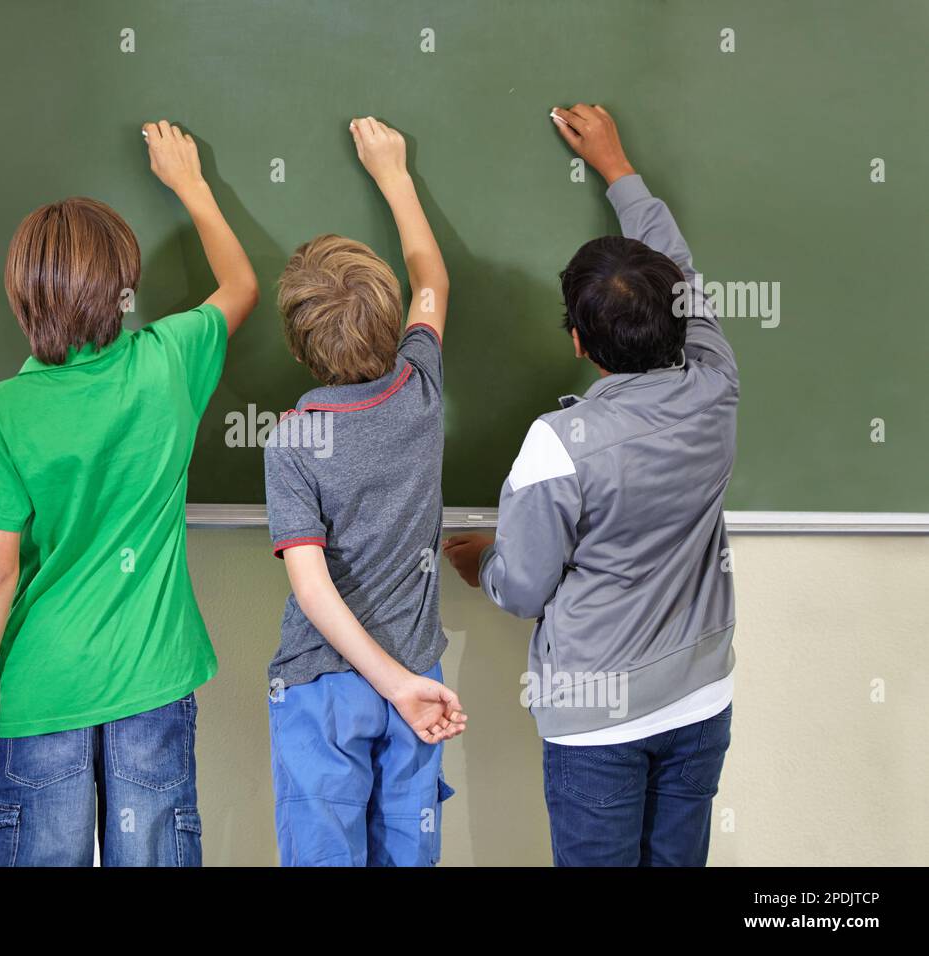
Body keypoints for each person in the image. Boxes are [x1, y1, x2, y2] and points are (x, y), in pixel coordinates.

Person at [0, 120, 258, 866]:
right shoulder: (168, 363)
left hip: (45, 686)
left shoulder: (5, 409)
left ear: (23, 293)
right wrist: (189, 184)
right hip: (151, 680)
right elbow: (243, 285)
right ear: (122, 289)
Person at [445, 104, 738, 867]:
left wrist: (482, 561)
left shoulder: (559, 445)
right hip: (701, 693)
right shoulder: (716, 384)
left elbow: (523, 590)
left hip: (597, 716)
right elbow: (685, 278)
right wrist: (620, 171)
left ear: (577, 341)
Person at [265, 117, 466, 867]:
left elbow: (313, 591)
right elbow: (432, 280)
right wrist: (394, 175)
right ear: (391, 318)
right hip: (414, 674)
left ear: (297, 344)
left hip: (321, 689)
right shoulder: (420, 388)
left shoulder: (293, 438)